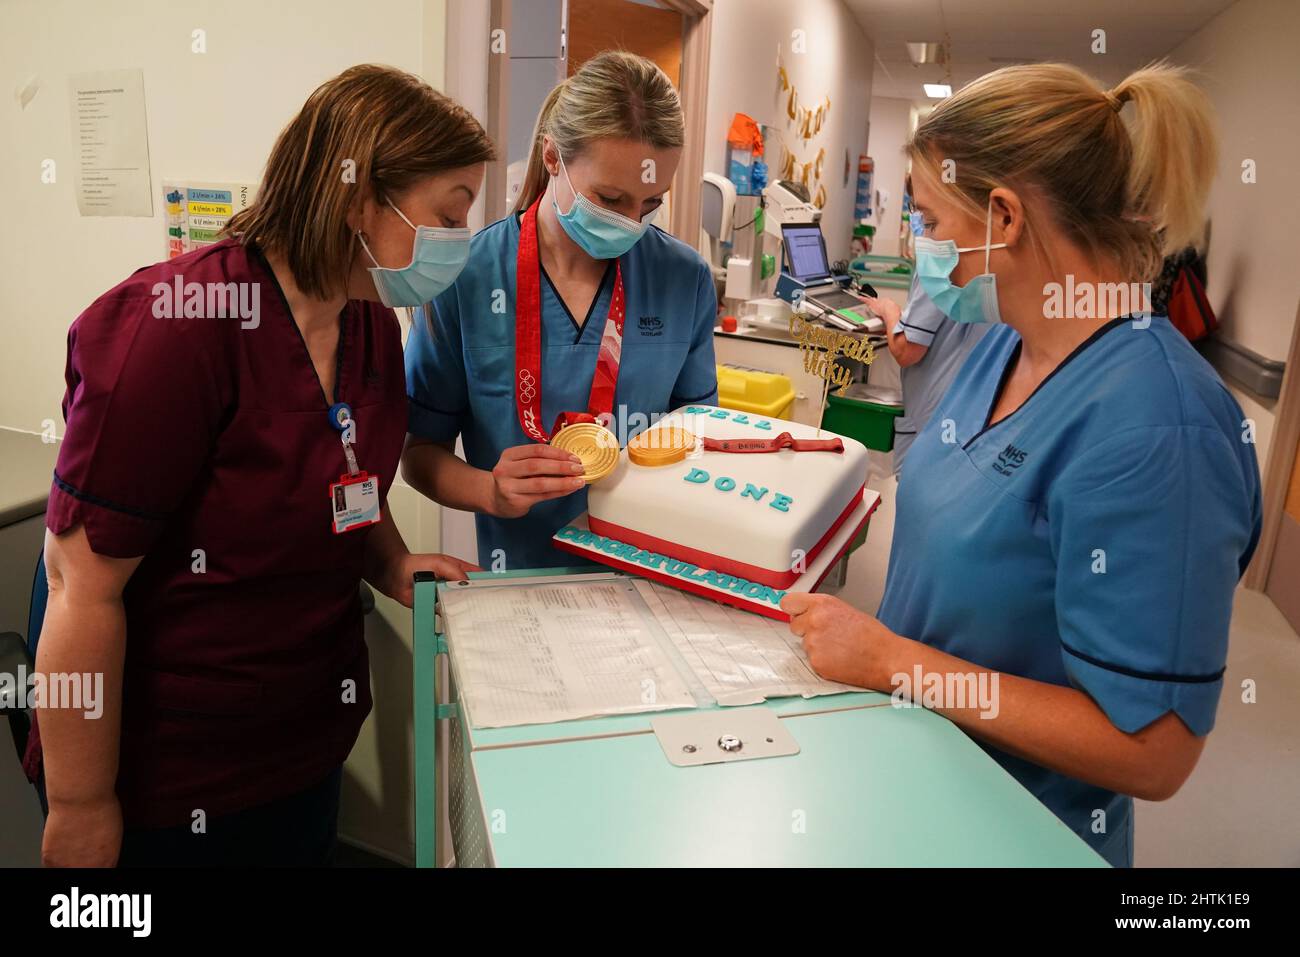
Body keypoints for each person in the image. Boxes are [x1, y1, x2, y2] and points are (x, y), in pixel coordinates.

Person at [782, 62, 1262, 867]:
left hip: (1015, 832)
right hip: (919, 788)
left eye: (930, 220)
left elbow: (1152, 749)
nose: (921, 247)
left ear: (1002, 215)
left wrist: (896, 661)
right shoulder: (1002, 343)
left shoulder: (1157, 430)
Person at [31, 65, 493, 867]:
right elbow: (79, 583)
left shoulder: (370, 323)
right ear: (358, 199)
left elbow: (346, 473)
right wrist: (80, 806)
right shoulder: (178, 330)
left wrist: (392, 562)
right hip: (167, 769)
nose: (458, 242)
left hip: (301, 742)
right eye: (448, 217)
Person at [402, 51, 718, 571]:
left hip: (652, 577)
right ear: (553, 158)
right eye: (611, 199)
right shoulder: (467, 276)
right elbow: (419, 455)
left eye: (651, 203)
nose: (632, 223)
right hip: (521, 580)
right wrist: (490, 491)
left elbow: (699, 437)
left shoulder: (682, 278)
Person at [868, 270, 991, 474]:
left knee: (922, 484)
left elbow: (906, 350)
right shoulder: (992, 260)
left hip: (936, 414)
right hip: (974, 408)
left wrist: (888, 310)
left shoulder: (939, 263)